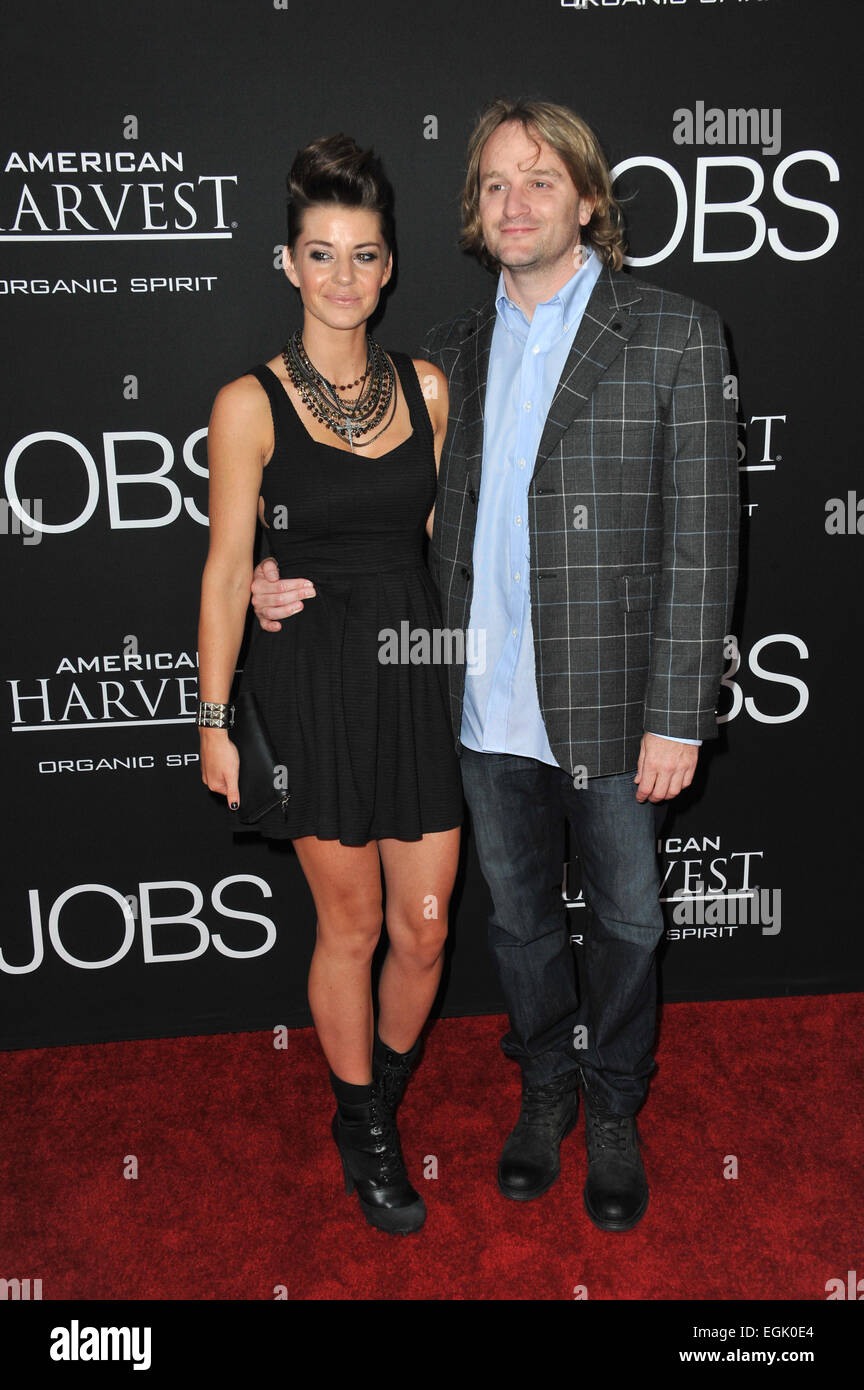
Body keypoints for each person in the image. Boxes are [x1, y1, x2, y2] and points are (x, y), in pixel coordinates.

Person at [249, 100, 739, 1233]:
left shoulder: (671, 332)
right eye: (493, 186)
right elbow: (372, 516)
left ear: (586, 198)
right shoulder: (448, 360)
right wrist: (272, 579)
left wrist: (680, 713)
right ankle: (545, 1086)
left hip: (617, 703)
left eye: (539, 180)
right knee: (515, 925)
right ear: (473, 211)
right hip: (469, 700)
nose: (514, 203)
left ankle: (614, 1104)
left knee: (628, 920)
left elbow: (705, 543)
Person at [196, 134, 462, 1236]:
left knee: (429, 929)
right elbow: (222, 572)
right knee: (349, 928)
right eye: (321, 253)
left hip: (416, 682)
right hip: (311, 688)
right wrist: (213, 718)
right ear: (287, 263)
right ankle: (364, 1124)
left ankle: (376, 1096)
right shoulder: (247, 404)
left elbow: (448, 544)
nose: (343, 276)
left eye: (363, 254)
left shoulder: (432, 390)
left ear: (390, 265)